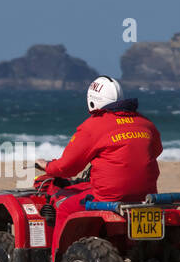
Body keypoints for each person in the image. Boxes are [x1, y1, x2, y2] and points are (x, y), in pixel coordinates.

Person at [34, 76, 162, 214]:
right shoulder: (145, 123)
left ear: (92, 101)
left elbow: (66, 168)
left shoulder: (92, 126)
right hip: (146, 196)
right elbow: (156, 150)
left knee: (64, 207)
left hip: (108, 198)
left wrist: (47, 165)